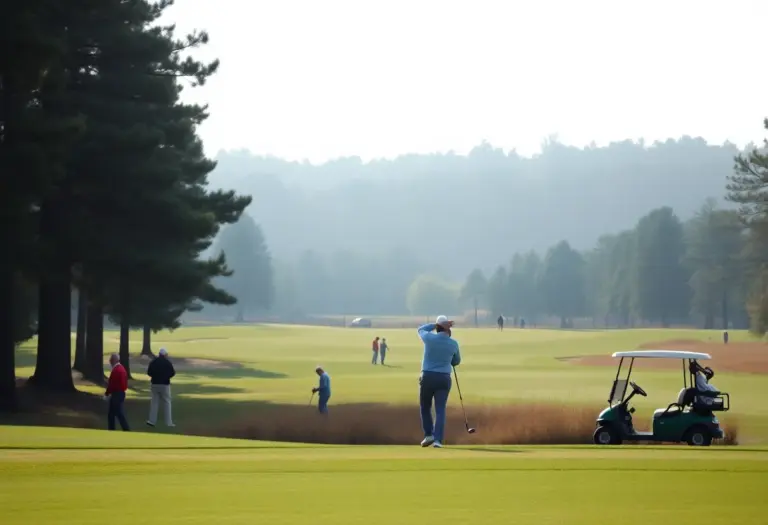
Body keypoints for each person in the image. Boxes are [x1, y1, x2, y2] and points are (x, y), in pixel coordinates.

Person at [417, 315, 461, 448]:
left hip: (428, 376)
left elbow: (420, 329)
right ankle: (438, 440)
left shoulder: (429, 338)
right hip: (444, 378)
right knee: (440, 409)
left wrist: (436, 324)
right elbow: (456, 361)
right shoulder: (453, 343)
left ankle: (428, 435)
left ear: (438, 328)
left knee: (425, 407)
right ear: (448, 330)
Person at [146, 347, 176, 428]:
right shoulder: (168, 363)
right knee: (167, 402)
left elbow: (149, 372)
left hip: (154, 384)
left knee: (154, 402)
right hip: (165, 385)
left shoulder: (153, 362)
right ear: (165, 355)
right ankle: (168, 422)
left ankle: (151, 421)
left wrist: (155, 376)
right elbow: (173, 373)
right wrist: (166, 377)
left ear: (159, 354)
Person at [104, 353, 130, 431]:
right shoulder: (121, 368)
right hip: (120, 393)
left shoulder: (116, 370)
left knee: (118, 413)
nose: (110, 361)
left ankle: (126, 429)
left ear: (114, 360)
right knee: (112, 413)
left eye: (111, 360)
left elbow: (112, 383)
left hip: (117, 394)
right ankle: (112, 429)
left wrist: (107, 393)